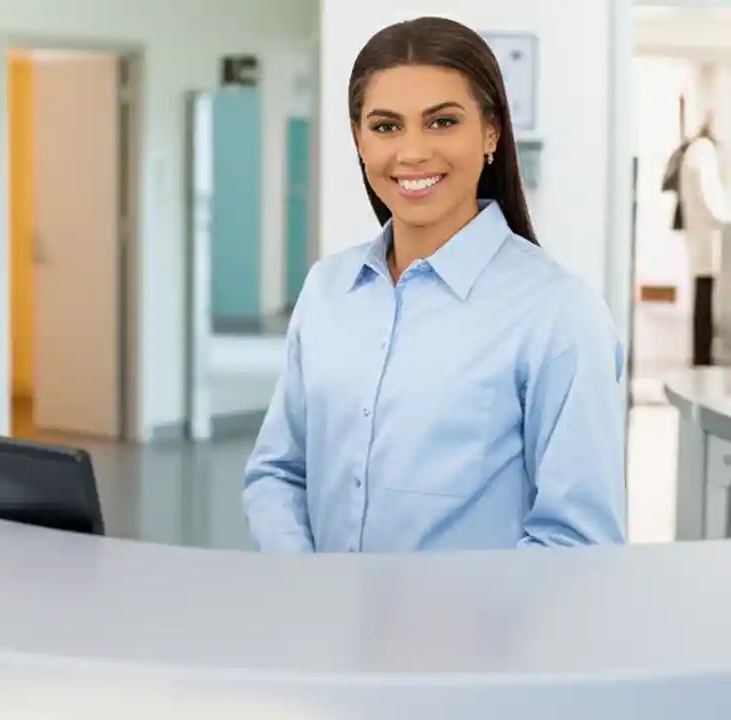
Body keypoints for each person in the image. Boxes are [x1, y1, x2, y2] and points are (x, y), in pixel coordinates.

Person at [242, 16, 625, 553]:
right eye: (385, 126)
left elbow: (579, 541)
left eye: (442, 122)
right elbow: (278, 473)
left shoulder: (558, 313)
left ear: (490, 131)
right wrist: (306, 587)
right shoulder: (327, 290)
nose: (413, 152)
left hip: (476, 637)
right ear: (358, 139)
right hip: (320, 629)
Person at [677, 117, 729, 366]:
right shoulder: (703, 152)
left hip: (702, 235)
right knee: (705, 296)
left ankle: (703, 353)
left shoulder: (696, 151)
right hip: (706, 236)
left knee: (703, 293)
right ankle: (702, 355)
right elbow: (711, 198)